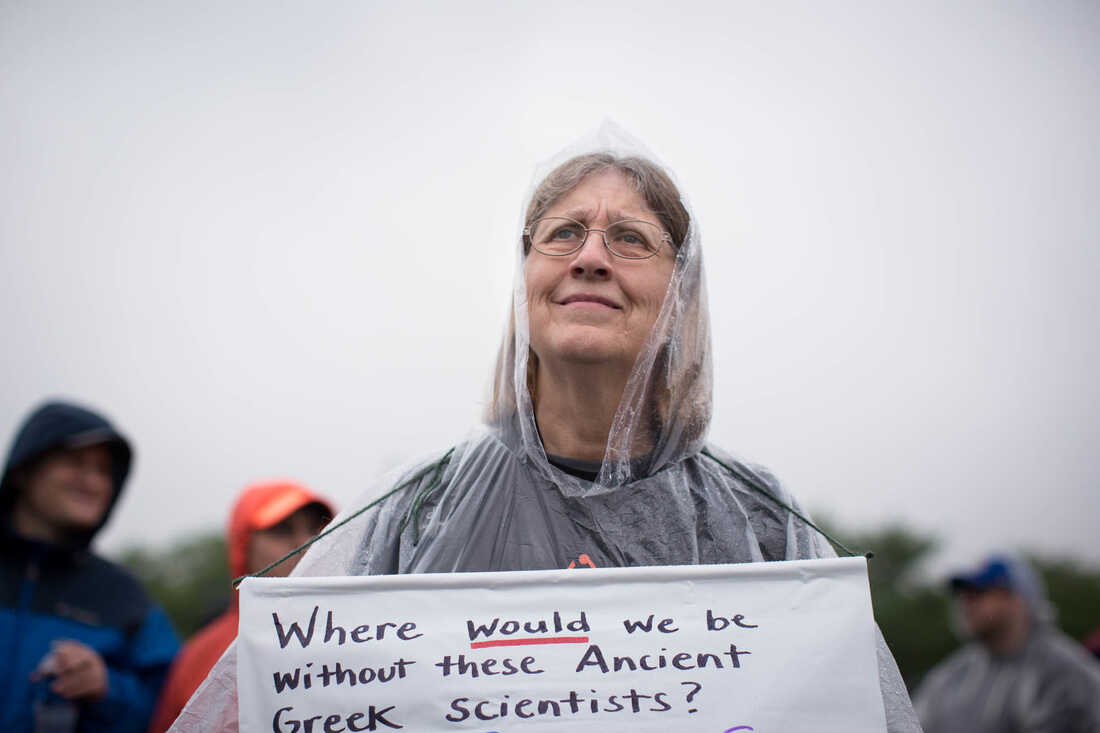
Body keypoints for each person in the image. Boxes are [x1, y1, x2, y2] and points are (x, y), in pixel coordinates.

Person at [170, 129, 920, 731]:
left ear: (681, 295)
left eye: (630, 238)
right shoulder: (418, 505)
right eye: (563, 233)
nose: (591, 258)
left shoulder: (757, 518)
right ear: (524, 277)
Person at [0, 400, 179, 732]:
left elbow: (174, 707)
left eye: (103, 471)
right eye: (75, 462)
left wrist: (107, 689)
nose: (92, 482)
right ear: (24, 470)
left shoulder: (128, 599)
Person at [149, 480, 333, 732]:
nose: (304, 543)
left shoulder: (360, 634)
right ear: (243, 546)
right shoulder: (203, 655)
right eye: (282, 530)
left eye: (316, 529)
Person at [914, 554, 1100, 732]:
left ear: (1019, 599)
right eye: (964, 595)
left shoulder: (1063, 672)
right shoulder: (952, 675)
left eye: (980, 593)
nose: (967, 603)